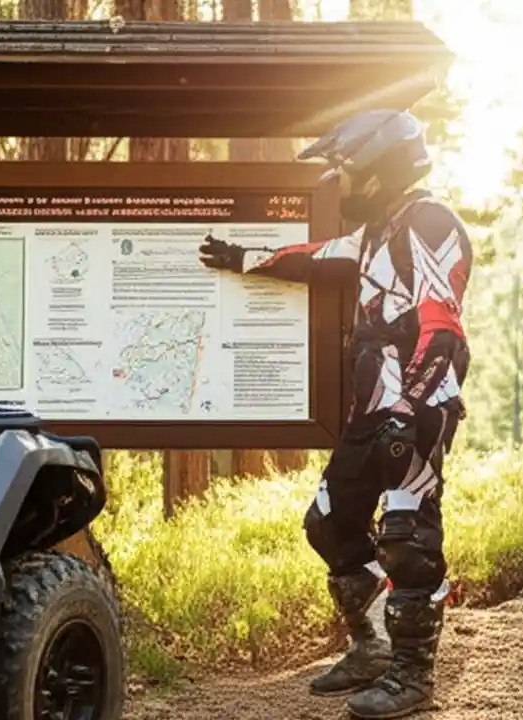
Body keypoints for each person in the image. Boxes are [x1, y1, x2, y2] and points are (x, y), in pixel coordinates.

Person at [197, 109, 472, 719]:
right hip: (374, 410)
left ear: (379, 169)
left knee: (408, 538)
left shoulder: (429, 221)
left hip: (417, 408)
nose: (340, 182)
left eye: (348, 169)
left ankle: (412, 676)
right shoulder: (378, 231)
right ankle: (373, 644)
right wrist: (241, 256)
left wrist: (414, 403)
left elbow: (442, 324)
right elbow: (316, 257)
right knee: (328, 522)